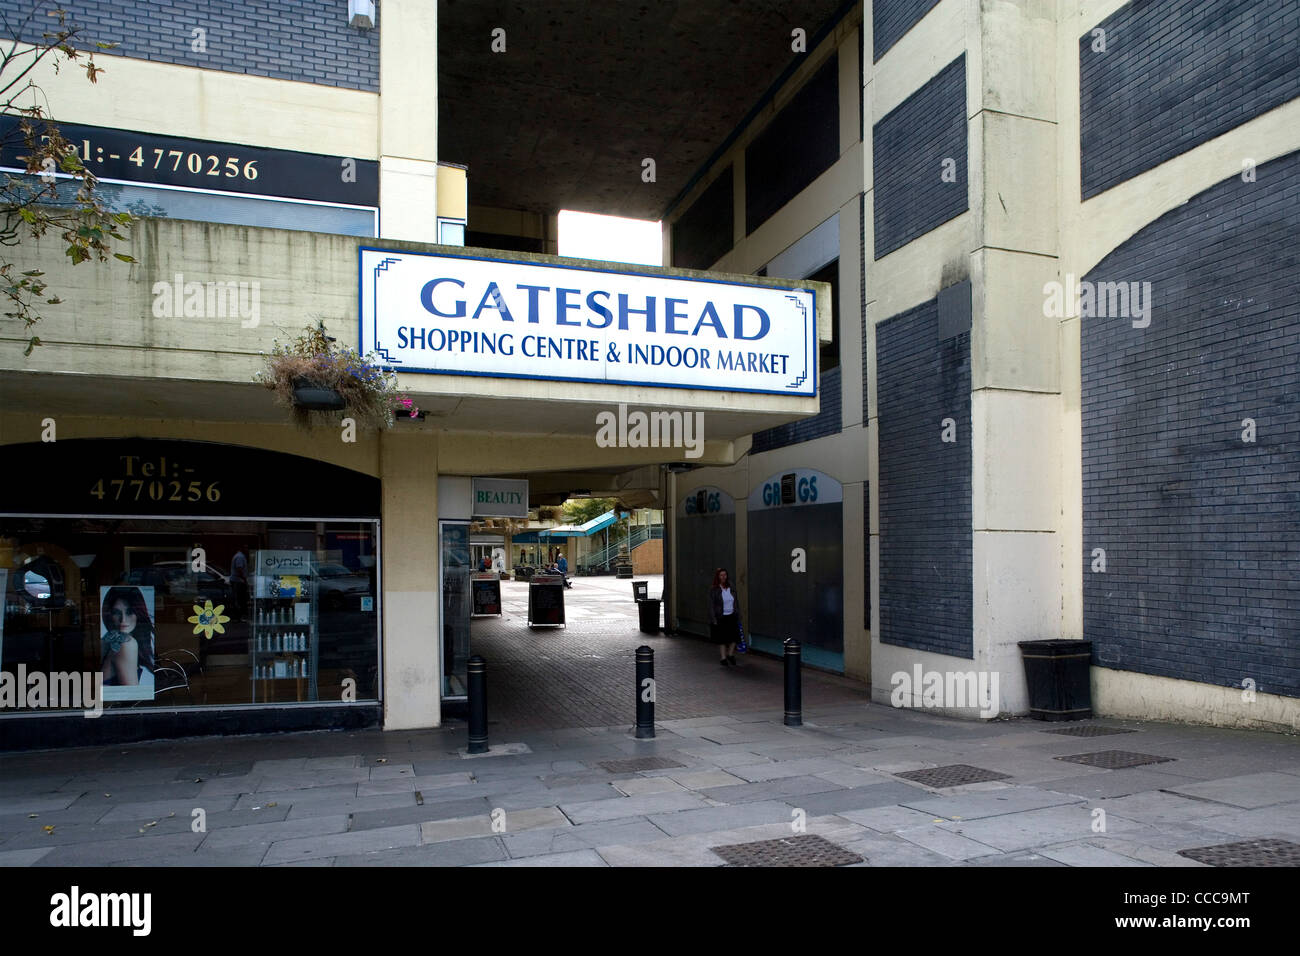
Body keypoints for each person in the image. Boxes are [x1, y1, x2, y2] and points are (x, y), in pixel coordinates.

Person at [101, 586, 155, 686]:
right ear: (110, 615)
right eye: (116, 613)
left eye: (129, 612)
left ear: (138, 613)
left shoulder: (108, 640)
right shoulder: (126, 643)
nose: (123, 620)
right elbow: (131, 696)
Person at [708, 567, 741, 667]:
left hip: (732, 615)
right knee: (722, 639)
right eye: (721, 575)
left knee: (735, 637)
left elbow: (736, 601)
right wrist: (713, 619)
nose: (723, 577)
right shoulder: (714, 589)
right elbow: (711, 605)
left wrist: (737, 613)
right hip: (721, 617)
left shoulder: (731, 586)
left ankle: (730, 655)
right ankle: (723, 658)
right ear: (718, 577)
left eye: (725, 575)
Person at [230, 548, 249, 621]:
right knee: (240, 599)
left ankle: (237, 616)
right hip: (238, 581)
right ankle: (238, 617)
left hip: (238, 581)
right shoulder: (240, 557)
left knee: (239, 599)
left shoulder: (239, 556)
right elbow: (239, 568)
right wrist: (244, 579)